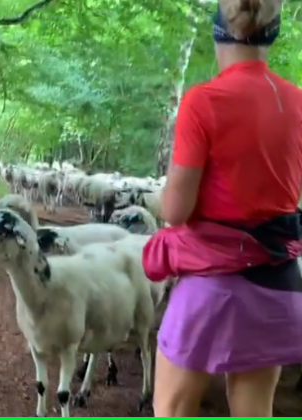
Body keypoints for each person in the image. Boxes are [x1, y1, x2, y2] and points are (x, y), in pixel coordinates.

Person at [148, 0, 302, 416]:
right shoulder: (298, 102)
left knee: (172, 410)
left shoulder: (204, 101)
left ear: (219, 28)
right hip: (280, 285)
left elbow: (175, 211)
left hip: (212, 289)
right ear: (274, 31)